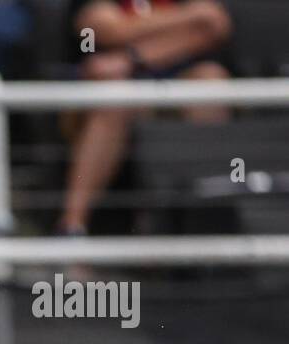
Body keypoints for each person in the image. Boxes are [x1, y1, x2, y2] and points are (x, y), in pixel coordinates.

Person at [57, 0, 232, 235]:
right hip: (100, 99)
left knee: (211, 80)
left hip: (171, 91)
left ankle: (208, 227)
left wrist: (131, 57)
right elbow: (104, 30)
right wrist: (188, 18)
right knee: (116, 97)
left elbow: (215, 24)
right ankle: (71, 229)